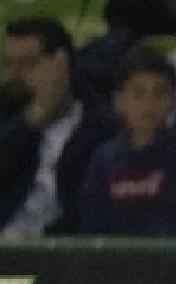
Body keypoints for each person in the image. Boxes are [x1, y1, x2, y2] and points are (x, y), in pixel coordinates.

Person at [0, 18, 118, 238]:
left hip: (60, 253)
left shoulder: (100, 126)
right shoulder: (7, 113)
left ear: (62, 65)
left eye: (28, 63)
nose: (14, 75)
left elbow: (91, 207)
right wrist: (32, 120)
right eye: (10, 64)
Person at [77, 46, 176, 235]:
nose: (149, 103)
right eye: (138, 93)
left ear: (175, 100)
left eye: (160, 93)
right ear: (118, 101)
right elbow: (92, 225)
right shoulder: (103, 159)